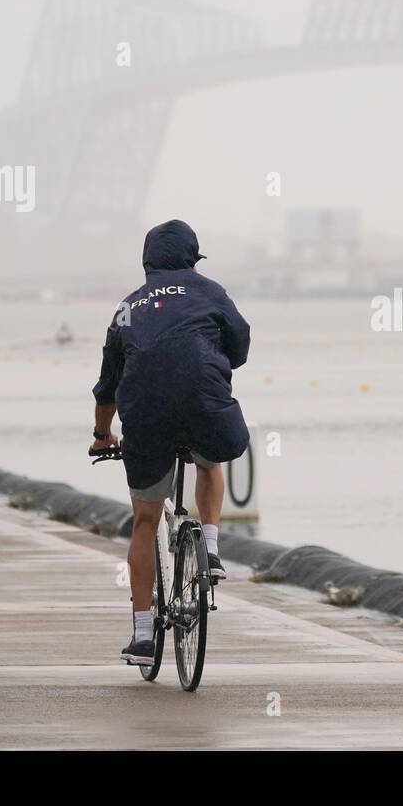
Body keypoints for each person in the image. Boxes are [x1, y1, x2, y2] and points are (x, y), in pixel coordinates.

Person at [89, 219, 250, 667]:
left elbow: (107, 387)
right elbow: (241, 345)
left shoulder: (127, 308)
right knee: (210, 461)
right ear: (190, 260)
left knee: (145, 521)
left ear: (147, 262)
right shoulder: (211, 292)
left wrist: (103, 436)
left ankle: (143, 635)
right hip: (206, 406)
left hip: (146, 417)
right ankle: (212, 549)